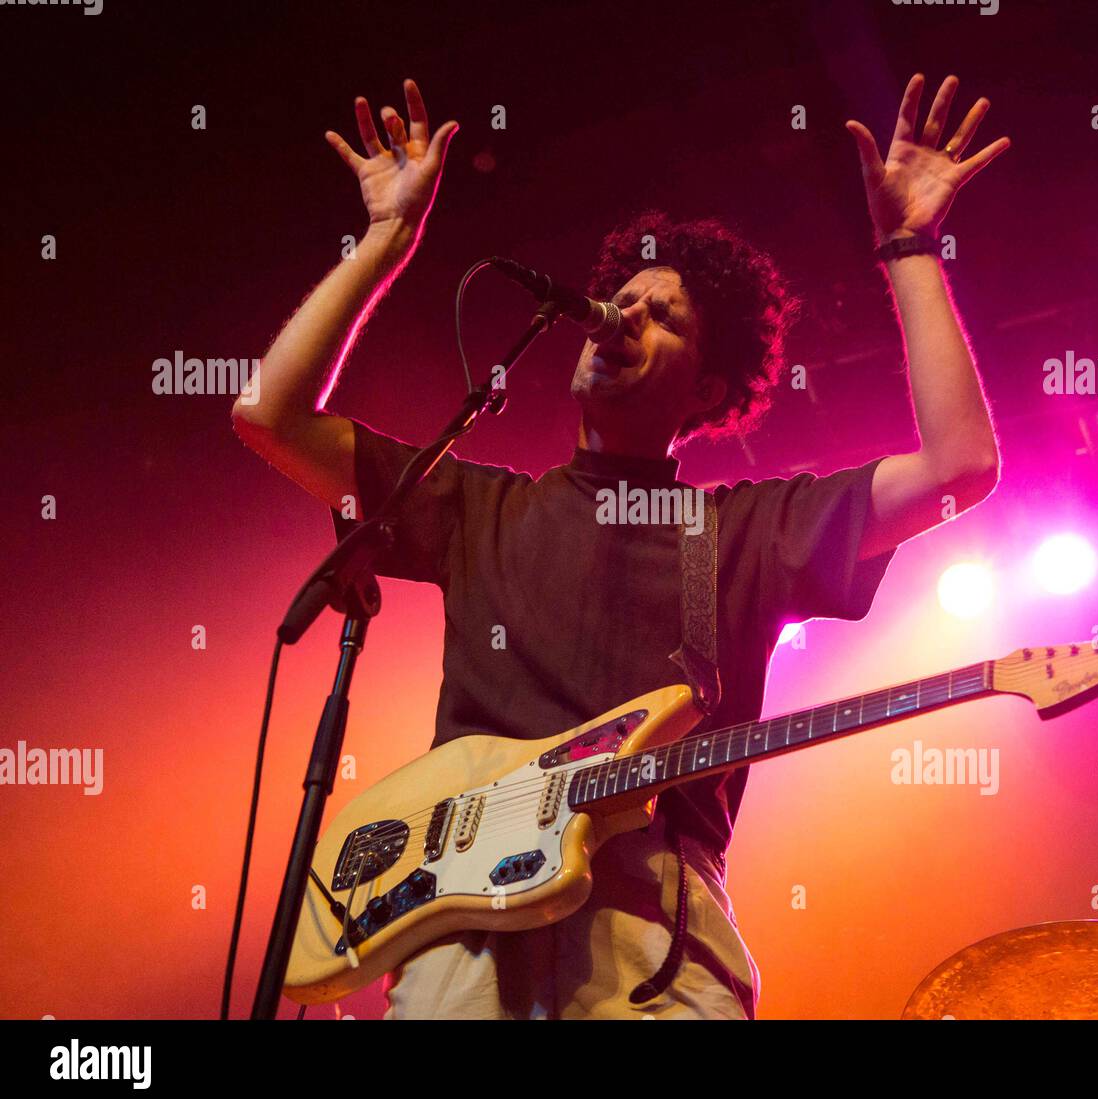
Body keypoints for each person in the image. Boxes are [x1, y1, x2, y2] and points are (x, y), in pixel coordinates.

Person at [232, 73, 1008, 1019]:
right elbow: (269, 415)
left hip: (654, 935)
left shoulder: (746, 531)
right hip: (462, 933)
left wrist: (909, 247)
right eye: (621, 297)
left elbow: (961, 465)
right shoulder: (478, 507)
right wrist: (387, 243)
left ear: (710, 392)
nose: (625, 314)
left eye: (665, 314)